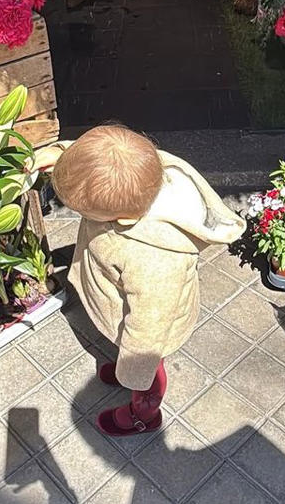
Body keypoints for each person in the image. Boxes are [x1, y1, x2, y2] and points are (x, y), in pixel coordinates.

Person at [35, 126, 246, 437]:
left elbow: (148, 328)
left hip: (149, 334)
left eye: (83, 212)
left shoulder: (154, 259)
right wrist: (62, 154)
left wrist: (134, 369)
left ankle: (143, 414)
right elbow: (104, 157)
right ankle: (128, 371)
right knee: (131, 357)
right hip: (128, 311)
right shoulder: (143, 171)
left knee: (150, 374)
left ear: (123, 221)